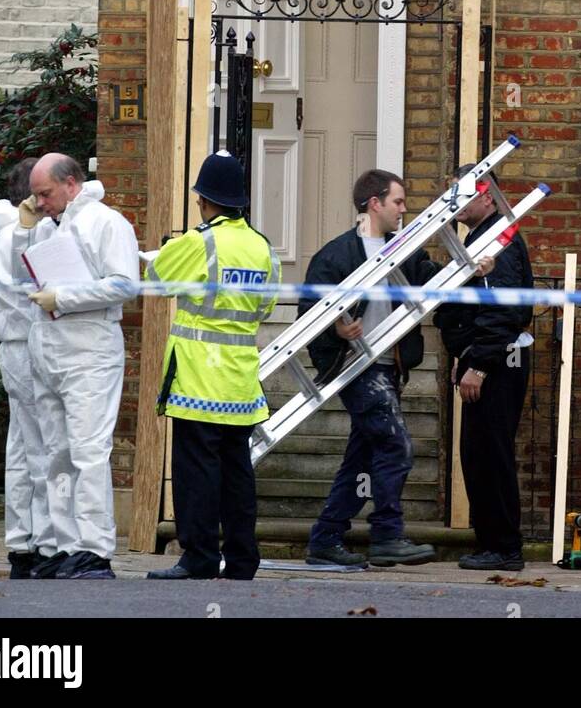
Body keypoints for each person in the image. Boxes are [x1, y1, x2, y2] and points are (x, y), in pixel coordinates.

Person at [303, 169, 493, 569]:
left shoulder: (403, 249)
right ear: (375, 203)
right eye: (398, 202)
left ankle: (326, 537)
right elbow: (309, 311)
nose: (404, 210)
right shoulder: (336, 255)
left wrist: (471, 271)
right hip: (357, 367)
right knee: (395, 446)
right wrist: (338, 328)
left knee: (363, 457)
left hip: (390, 366)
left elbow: (431, 280)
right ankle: (387, 535)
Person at [145, 150, 280, 581]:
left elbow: (157, 279)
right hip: (239, 382)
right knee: (237, 474)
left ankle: (199, 557)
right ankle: (242, 560)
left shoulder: (199, 241)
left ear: (204, 199)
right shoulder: (261, 247)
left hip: (198, 380)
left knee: (197, 475)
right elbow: (266, 306)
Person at [14, 153, 140, 579]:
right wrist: (27, 228)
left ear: (70, 184)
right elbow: (23, 276)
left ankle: (95, 547)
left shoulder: (107, 223)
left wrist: (63, 299)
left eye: (44, 193)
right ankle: (64, 544)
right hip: (52, 351)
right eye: (35, 196)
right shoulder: (50, 225)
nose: (40, 202)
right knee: (57, 455)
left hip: (89, 352)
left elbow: (124, 284)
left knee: (87, 452)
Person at [434, 164, 534, 571]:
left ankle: (505, 547)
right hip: (485, 359)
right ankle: (490, 541)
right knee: (476, 454)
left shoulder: (497, 242)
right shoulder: (478, 237)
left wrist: (479, 366)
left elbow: (501, 313)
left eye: (464, 195)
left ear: (488, 197)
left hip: (498, 362)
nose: (455, 204)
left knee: (491, 454)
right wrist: (465, 357)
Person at [0, 157, 55, 579]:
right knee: (42, 448)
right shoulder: (20, 237)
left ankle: (21, 543)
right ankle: (41, 545)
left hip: (14, 348)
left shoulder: (3, 235)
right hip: (29, 346)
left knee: (23, 449)